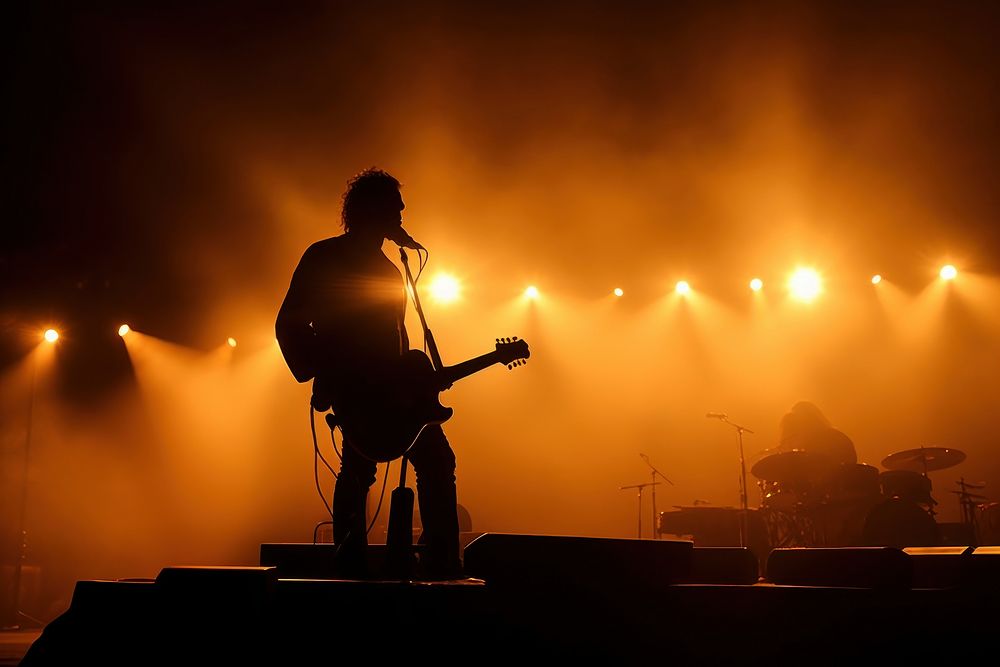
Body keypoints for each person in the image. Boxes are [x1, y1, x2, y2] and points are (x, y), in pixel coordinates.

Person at [275, 168, 462, 579]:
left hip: (395, 393)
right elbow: (289, 322)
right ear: (371, 209)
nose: (402, 211)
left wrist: (415, 378)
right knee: (359, 468)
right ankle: (349, 559)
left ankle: (441, 558)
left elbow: (400, 337)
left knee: (433, 459)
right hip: (354, 388)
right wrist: (318, 370)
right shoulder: (324, 256)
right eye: (394, 205)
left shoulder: (393, 270)